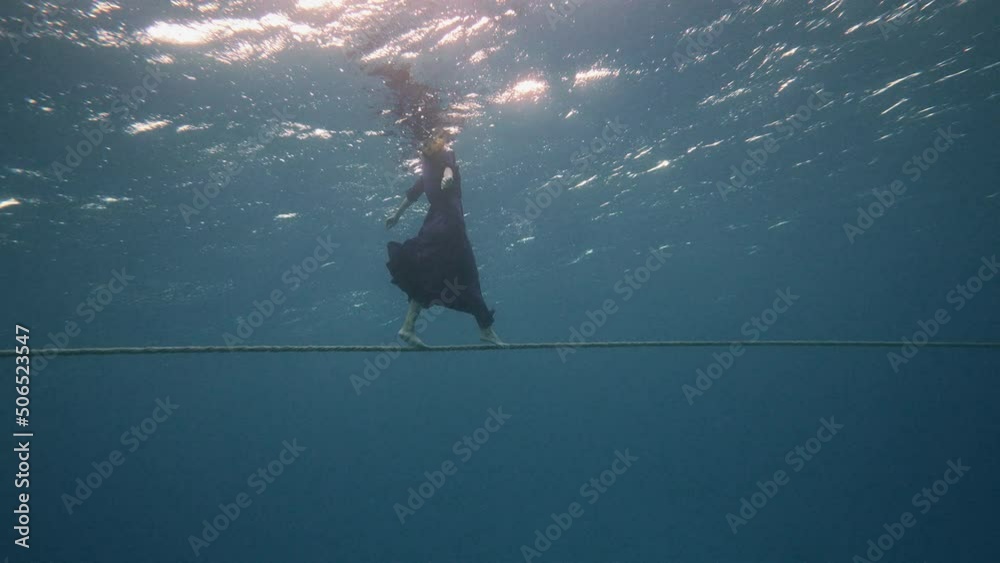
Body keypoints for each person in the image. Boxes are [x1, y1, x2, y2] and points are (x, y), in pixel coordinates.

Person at [385, 133, 506, 348]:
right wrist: (448, 176)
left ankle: (408, 327)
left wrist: (396, 215)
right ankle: (485, 329)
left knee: (426, 273)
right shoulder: (446, 158)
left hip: (434, 226)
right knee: (468, 276)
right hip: (450, 227)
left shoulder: (427, 172)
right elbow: (448, 166)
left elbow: (412, 195)